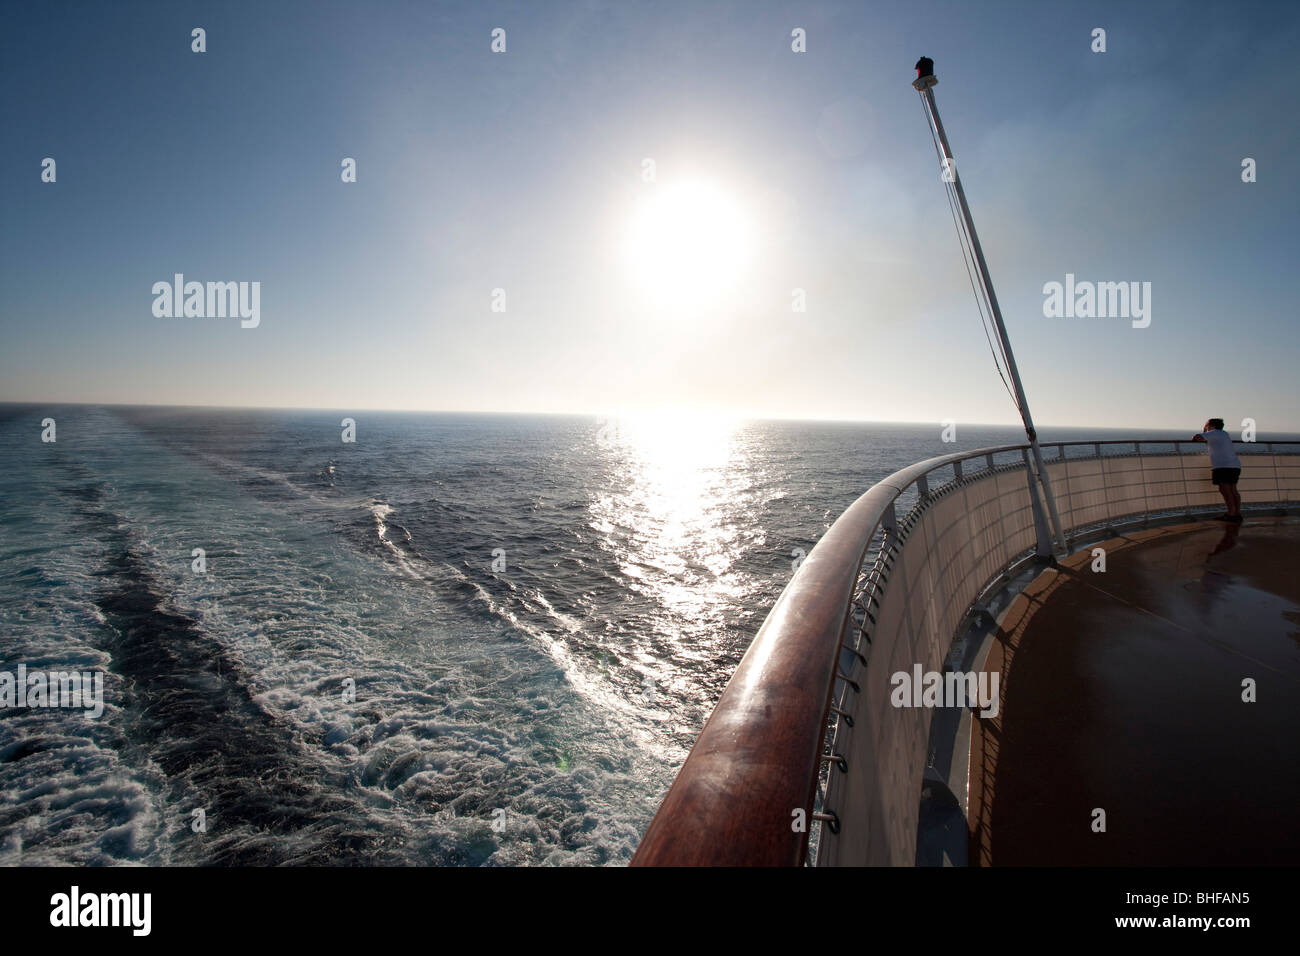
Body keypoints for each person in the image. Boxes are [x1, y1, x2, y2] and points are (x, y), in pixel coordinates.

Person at [1191, 418, 1242, 522]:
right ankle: (1236, 513)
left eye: (1206, 425)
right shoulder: (1224, 434)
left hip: (1223, 466)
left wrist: (1204, 431)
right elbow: (1210, 442)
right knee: (1233, 490)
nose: (1206, 427)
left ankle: (1231, 514)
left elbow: (1197, 437)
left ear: (1211, 426)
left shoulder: (1213, 433)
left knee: (1225, 490)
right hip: (1234, 465)